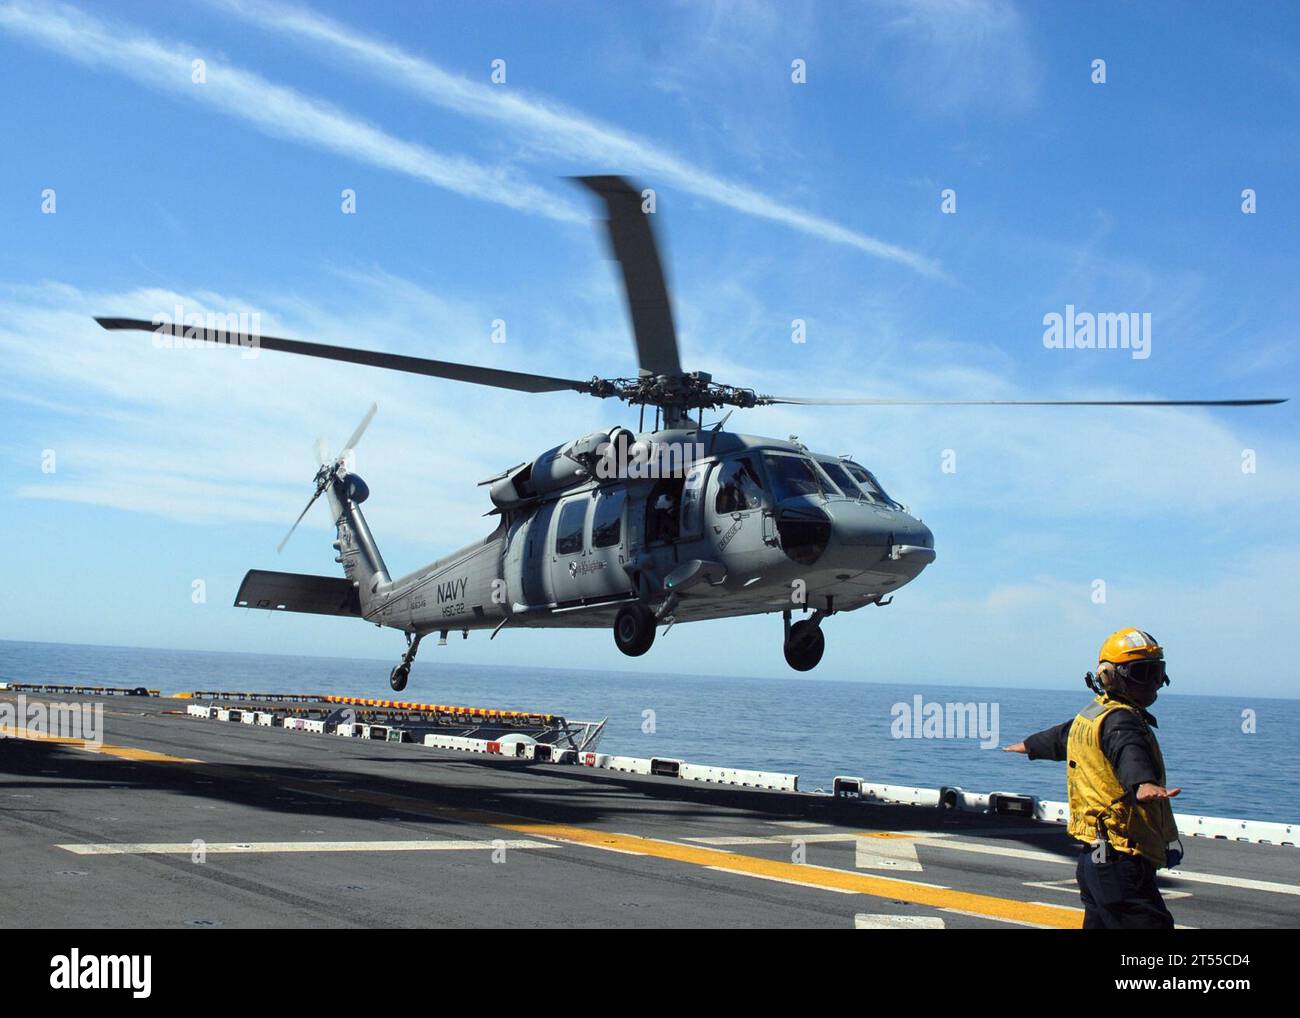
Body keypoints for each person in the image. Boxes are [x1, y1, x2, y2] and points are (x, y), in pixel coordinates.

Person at [1004, 627, 1182, 929]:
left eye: (1157, 671)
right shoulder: (1122, 720)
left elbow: (1061, 737)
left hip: (1095, 859)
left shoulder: (1092, 716)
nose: (1153, 682)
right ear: (1111, 676)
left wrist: (1030, 745)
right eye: (1142, 672)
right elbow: (1128, 750)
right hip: (1120, 859)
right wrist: (1142, 784)